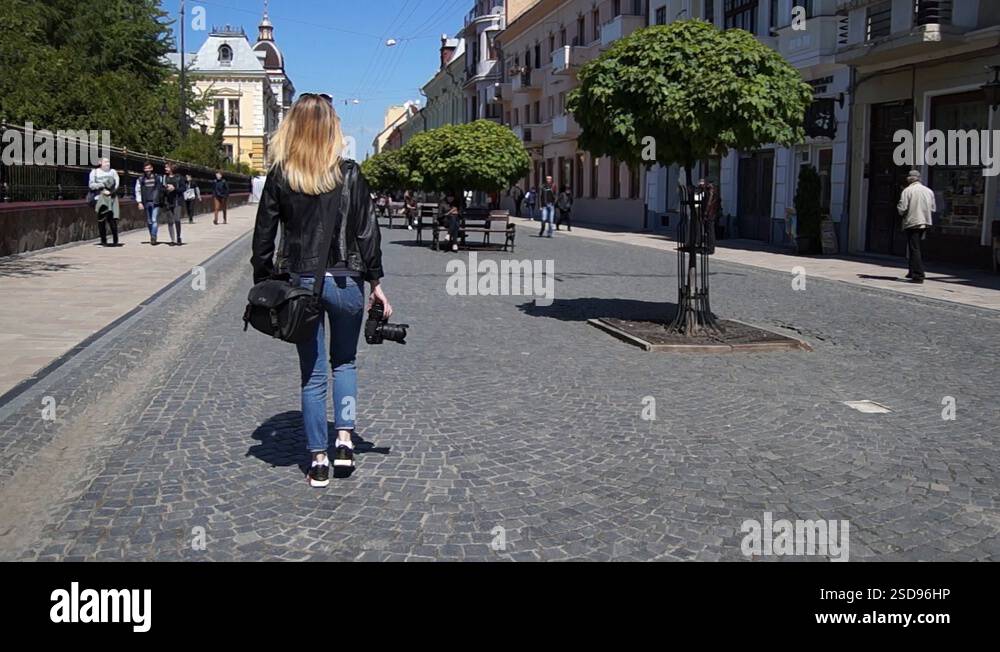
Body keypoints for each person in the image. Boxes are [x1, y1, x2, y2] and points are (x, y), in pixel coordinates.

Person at [251, 93, 388, 488]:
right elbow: (368, 233)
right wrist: (376, 283)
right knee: (344, 363)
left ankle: (318, 460)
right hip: (347, 282)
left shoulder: (281, 176)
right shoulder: (350, 173)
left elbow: (263, 238)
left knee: (312, 374)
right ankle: (344, 443)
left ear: (292, 128)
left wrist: (266, 282)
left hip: (302, 285)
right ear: (333, 130)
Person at [897, 169, 935, 284]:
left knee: (914, 248)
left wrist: (901, 211)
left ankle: (918, 275)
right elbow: (933, 208)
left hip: (912, 222)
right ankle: (911, 271)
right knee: (915, 247)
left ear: (909, 179)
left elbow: (902, 208)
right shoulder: (928, 191)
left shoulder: (907, 191)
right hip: (925, 222)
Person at [89, 158, 120, 247]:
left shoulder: (113, 172)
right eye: (105, 162)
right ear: (100, 163)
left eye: (109, 162)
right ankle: (103, 240)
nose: (108, 163)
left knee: (112, 219)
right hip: (99, 199)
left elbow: (117, 183)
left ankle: (115, 239)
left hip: (111, 198)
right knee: (101, 220)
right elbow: (91, 185)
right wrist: (103, 185)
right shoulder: (94, 172)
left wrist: (111, 191)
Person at [134, 161, 164, 246]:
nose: (147, 170)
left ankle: (153, 237)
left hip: (155, 201)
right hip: (146, 201)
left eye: (149, 168)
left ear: (152, 168)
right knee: (149, 221)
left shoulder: (157, 178)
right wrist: (139, 202)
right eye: (145, 168)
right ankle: (152, 235)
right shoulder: (141, 179)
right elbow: (138, 191)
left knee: (154, 219)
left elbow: (161, 189)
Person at [161, 164, 187, 246]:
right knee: (170, 221)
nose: (165, 169)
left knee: (177, 219)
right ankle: (172, 239)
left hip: (177, 201)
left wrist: (174, 188)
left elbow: (183, 188)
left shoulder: (179, 177)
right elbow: (161, 188)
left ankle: (178, 237)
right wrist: (166, 189)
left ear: (172, 168)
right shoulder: (165, 178)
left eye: (167, 167)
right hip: (168, 201)